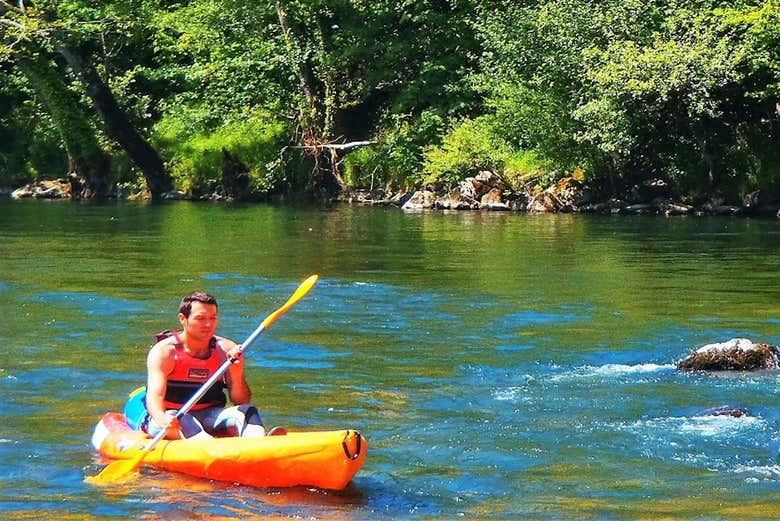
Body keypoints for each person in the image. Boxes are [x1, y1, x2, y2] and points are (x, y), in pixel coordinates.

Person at [142, 291, 266, 439]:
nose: (208, 324)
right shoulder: (165, 352)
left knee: (248, 412)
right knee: (185, 420)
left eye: (213, 318)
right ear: (183, 319)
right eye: (200, 318)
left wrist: (236, 372)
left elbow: (241, 400)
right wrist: (161, 418)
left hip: (209, 416)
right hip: (172, 417)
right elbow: (154, 396)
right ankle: (208, 445)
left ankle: (259, 444)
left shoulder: (226, 350)